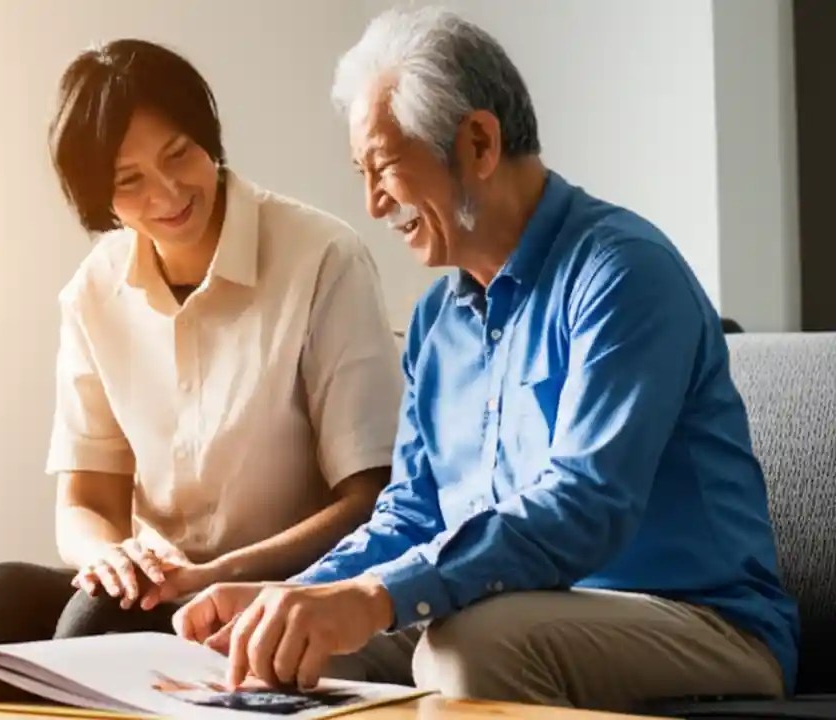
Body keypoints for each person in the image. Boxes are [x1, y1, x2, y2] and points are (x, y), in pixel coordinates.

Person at [173, 7, 800, 713]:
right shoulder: (437, 322)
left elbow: (583, 504)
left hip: (702, 622)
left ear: (477, 141)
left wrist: (376, 595)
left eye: (382, 168)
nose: (374, 203)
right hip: (514, 611)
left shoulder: (623, 273)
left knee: (469, 645)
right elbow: (409, 518)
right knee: (274, 645)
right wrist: (295, 596)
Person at [0, 39, 402, 648]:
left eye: (179, 154)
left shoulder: (321, 258)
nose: (166, 194)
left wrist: (215, 575)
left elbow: (371, 498)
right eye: (129, 180)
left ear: (207, 138)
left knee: (96, 624)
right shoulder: (94, 291)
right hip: (164, 585)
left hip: (280, 585)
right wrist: (111, 557)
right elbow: (86, 499)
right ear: (100, 198)